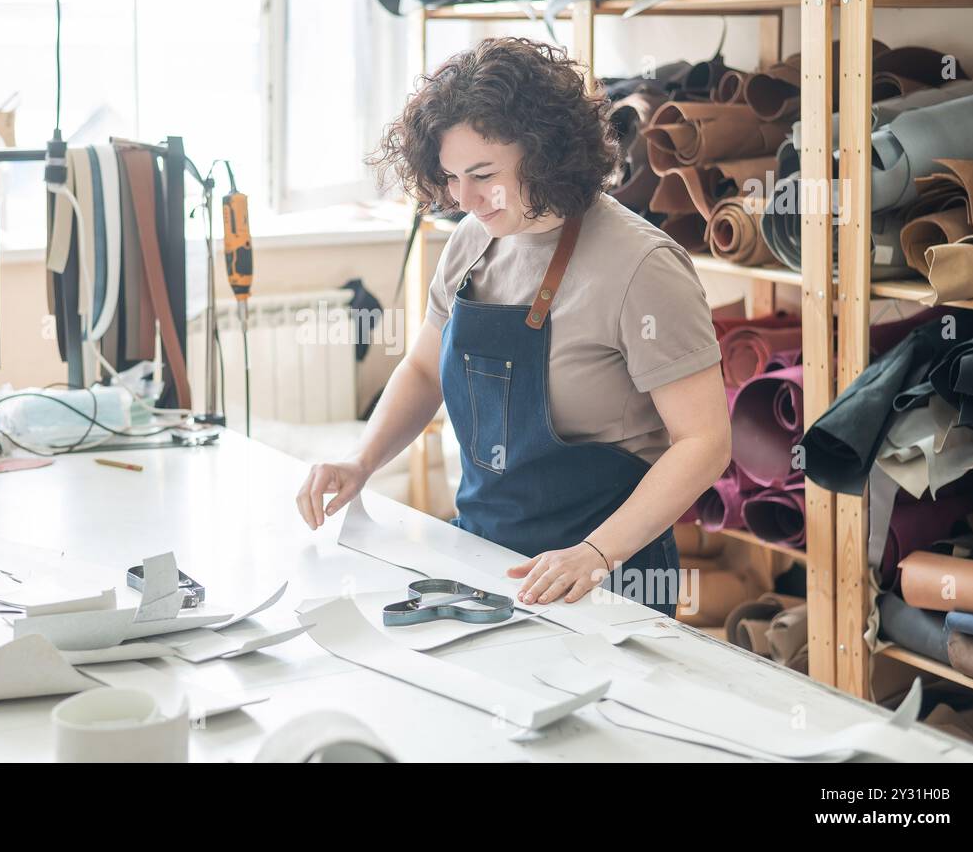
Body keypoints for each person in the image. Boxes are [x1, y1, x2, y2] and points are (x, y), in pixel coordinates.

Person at [296, 37, 731, 616]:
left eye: (482, 174)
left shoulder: (641, 266)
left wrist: (595, 554)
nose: (464, 198)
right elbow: (424, 369)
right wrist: (362, 460)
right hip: (481, 551)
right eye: (451, 177)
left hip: (606, 575)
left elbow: (704, 442)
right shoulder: (474, 242)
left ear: (546, 152)